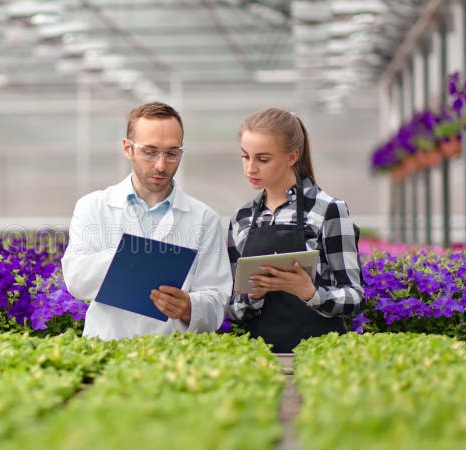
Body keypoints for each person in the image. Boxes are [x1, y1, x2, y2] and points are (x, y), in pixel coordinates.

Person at [61, 101, 232, 340]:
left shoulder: (204, 218)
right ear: (127, 148)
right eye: (149, 152)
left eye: (171, 154)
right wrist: (127, 256)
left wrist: (189, 307)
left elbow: (217, 299)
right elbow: (76, 280)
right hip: (107, 349)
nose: (161, 165)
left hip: (172, 356)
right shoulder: (93, 207)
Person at [226, 108, 364, 353]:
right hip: (260, 358)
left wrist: (310, 292)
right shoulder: (242, 218)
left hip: (321, 356)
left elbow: (355, 298)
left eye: (263, 159)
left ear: (292, 157)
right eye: (245, 156)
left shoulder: (328, 210)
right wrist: (253, 296)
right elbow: (234, 309)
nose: (251, 168)